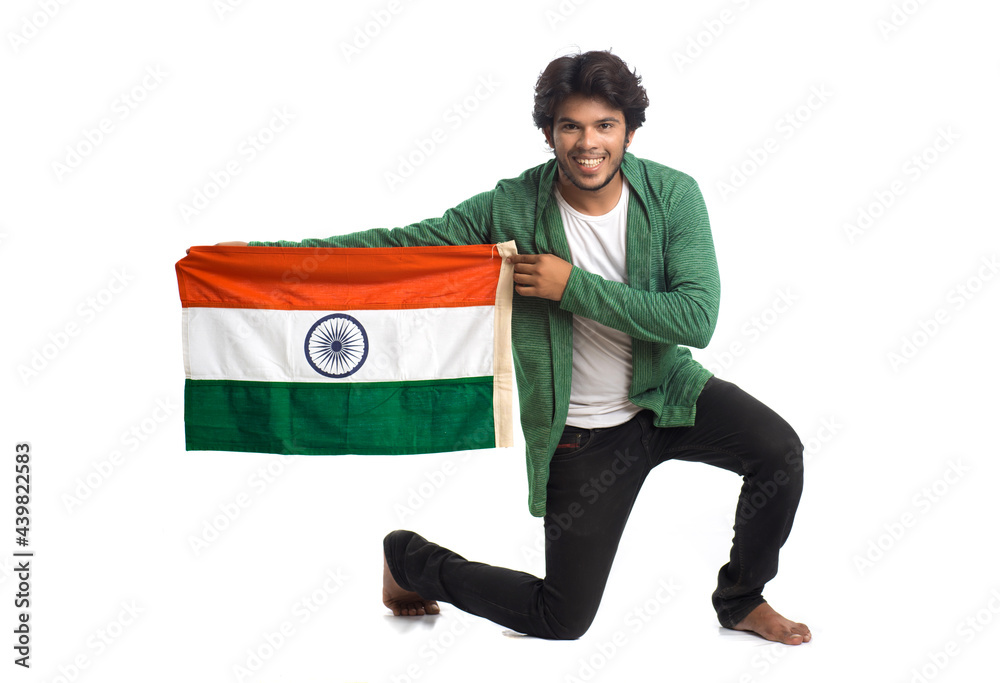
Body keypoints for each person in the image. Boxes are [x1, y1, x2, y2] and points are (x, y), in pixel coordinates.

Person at [220, 50, 811, 644]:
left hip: (669, 395)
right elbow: (406, 246)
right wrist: (269, 263)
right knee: (562, 620)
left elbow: (696, 317)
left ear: (630, 131)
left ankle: (740, 599)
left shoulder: (672, 196)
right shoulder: (511, 208)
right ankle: (409, 560)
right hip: (583, 431)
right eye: (570, 126)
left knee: (779, 451)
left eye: (605, 126)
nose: (588, 143)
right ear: (549, 133)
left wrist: (571, 286)